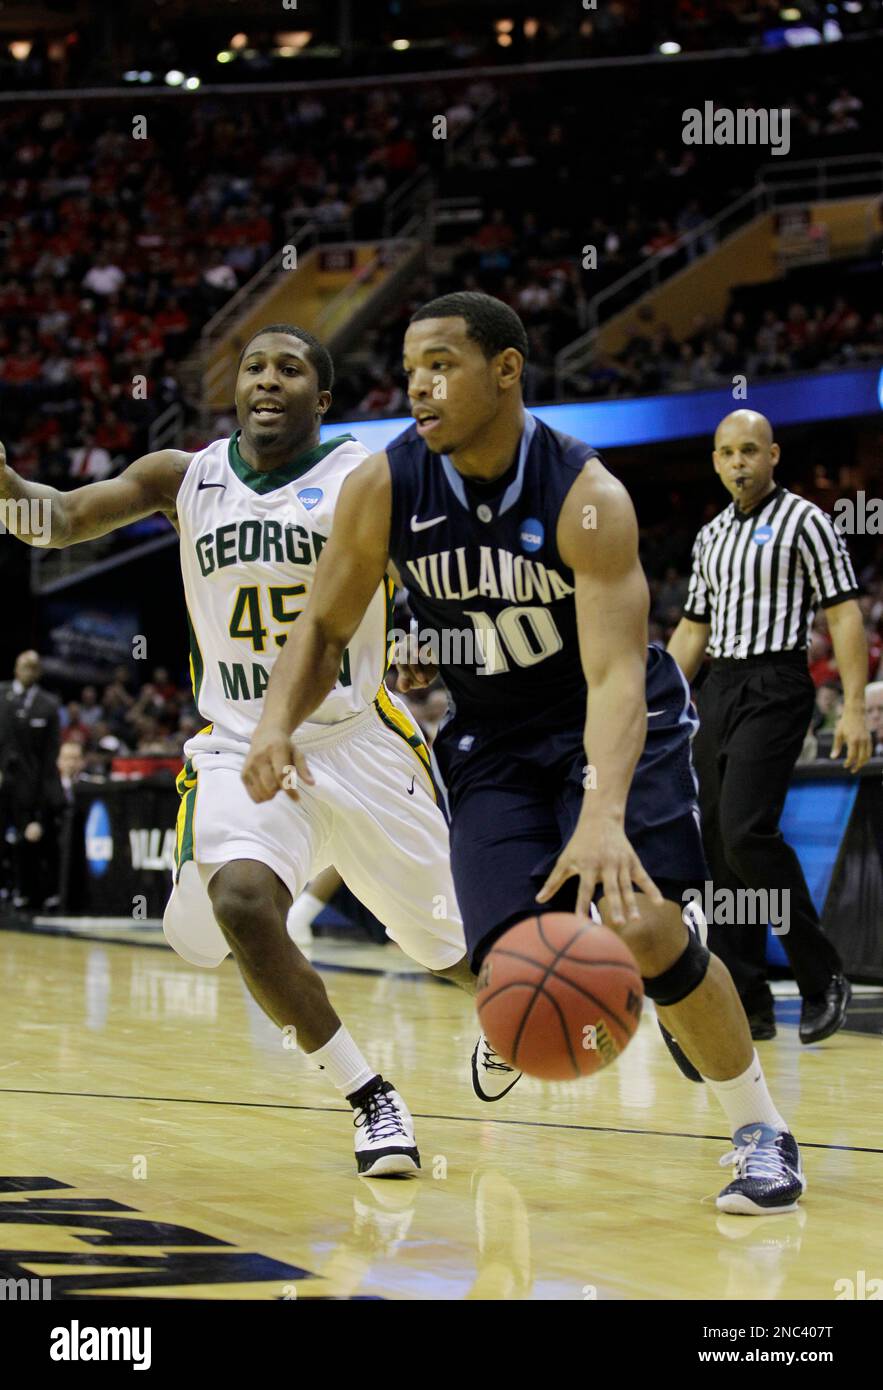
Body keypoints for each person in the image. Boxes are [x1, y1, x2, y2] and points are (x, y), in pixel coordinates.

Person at [244, 291, 804, 1216]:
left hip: (610, 716)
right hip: (490, 735)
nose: (419, 386)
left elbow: (617, 675)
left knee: (643, 929)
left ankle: (761, 1133)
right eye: (410, 369)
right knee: (506, 961)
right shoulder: (384, 486)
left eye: (442, 364)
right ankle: (517, 1010)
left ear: (506, 369)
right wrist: (273, 725)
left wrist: (601, 815)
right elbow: (323, 624)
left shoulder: (584, 496)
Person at [0, 323, 475, 1179]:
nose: (266, 380)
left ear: (321, 400)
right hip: (238, 744)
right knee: (248, 905)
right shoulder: (183, 476)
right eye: (253, 366)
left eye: (289, 369)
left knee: (458, 959)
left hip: (357, 739)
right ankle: (370, 1096)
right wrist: (1, 483)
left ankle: (517, 1022)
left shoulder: (363, 477)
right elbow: (63, 517)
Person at [668, 409, 868, 1043]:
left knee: (748, 831)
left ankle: (823, 975)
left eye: (750, 451)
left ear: (774, 455)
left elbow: (844, 615)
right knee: (720, 851)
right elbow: (693, 630)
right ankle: (749, 999)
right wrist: (656, 704)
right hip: (718, 688)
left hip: (778, 681)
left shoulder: (806, 521)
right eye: (727, 453)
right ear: (716, 461)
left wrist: (856, 706)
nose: (738, 463)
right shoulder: (710, 537)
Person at [0, 650, 61, 910]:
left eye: (34, 666)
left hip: (31, 784)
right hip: (3, 779)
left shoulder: (48, 704)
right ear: (15, 668)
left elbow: (50, 756)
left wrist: (44, 794)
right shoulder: (1, 695)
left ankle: (24, 892)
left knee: (28, 840)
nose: (28, 670)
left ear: (39, 672)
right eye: (24, 665)